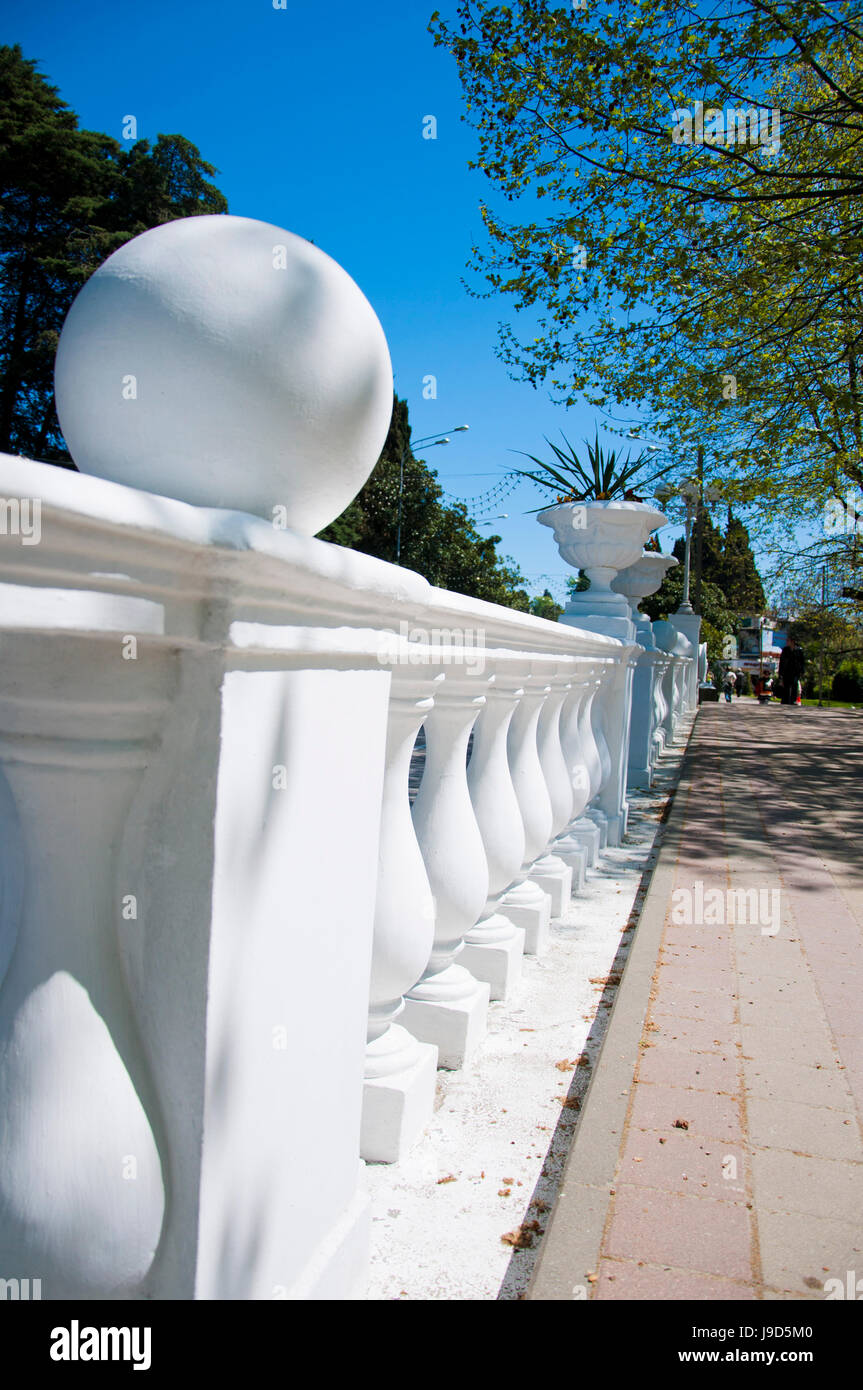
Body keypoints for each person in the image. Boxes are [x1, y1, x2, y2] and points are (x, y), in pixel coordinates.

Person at [778, 637, 805, 705]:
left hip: (795, 671)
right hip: (786, 671)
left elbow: (802, 661)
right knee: (786, 686)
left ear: (792, 641)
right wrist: (780, 672)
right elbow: (782, 661)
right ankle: (785, 701)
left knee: (794, 686)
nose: (787, 642)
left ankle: (793, 700)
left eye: (788, 641)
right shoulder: (785, 650)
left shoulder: (799, 650)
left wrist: (802, 670)